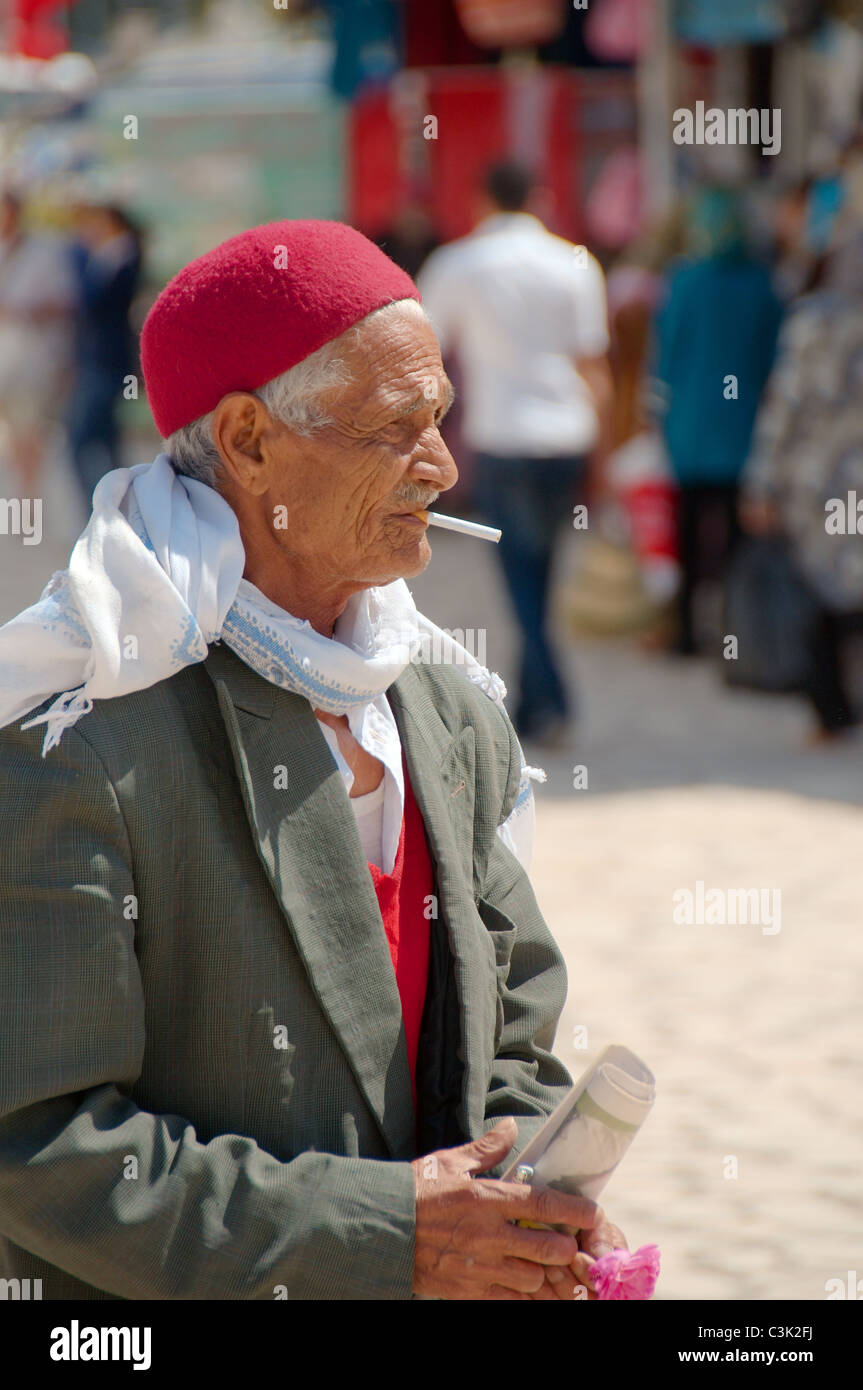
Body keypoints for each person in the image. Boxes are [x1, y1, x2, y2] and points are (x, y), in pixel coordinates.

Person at [0, 220, 626, 1301]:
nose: (442, 465)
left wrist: (516, 1189)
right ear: (247, 441)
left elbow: (512, 1012)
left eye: (441, 417)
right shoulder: (88, 741)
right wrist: (385, 1234)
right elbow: (39, 1141)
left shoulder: (441, 707)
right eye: (397, 428)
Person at [417, 160, 613, 747]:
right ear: (541, 198)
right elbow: (594, 368)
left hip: (502, 437)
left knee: (520, 579)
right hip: (568, 435)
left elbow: (420, 349)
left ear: (482, 200)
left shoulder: (458, 262)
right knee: (544, 573)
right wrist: (603, 453)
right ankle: (537, 704)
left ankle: (548, 700)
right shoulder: (575, 263)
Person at [739, 215, 863, 740]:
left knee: (819, 593)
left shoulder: (813, 319)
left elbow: (782, 408)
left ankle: (830, 713)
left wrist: (762, 482)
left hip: (817, 482)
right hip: (832, 480)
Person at [652, 187, 783, 655]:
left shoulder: (685, 282)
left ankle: (687, 632)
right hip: (744, 429)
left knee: (687, 532)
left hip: (690, 427)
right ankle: (740, 629)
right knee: (738, 537)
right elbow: (772, 361)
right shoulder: (763, 286)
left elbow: (665, 357)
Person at [65, 200, 142, 508]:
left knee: (82, 438)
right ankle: (115, 506)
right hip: (98, 359)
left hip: (107, 360)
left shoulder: (121, 256)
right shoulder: (105, 256)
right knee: (106, 439)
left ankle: (100, 508)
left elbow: (95, 304)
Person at [0, 189, 75, 492]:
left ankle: (28, 500)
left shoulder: (44, 252)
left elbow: (65, 302)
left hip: (30, 357)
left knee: (27, 433)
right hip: (7, 354)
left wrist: (24, 309)